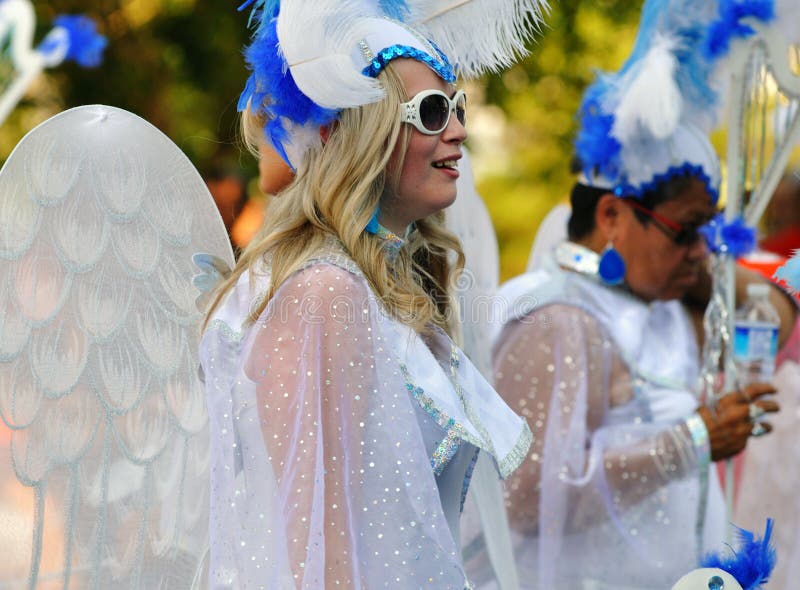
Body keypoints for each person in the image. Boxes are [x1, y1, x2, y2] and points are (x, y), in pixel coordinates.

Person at [199, 1, 546, 587]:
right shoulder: (325, 293)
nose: (458, 130)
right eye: (431, 112)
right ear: (356, 135)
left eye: (456, 107)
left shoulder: (369, 284)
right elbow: (319, 552)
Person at [483, 1, 797, 588]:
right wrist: (694, 439)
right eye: (687, 231)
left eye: (710, 233)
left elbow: (778, 318)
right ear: (611, 216)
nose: (703, 252)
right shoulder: (556, 316)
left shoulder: (660, 306)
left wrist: (694, 253)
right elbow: (524, 496)